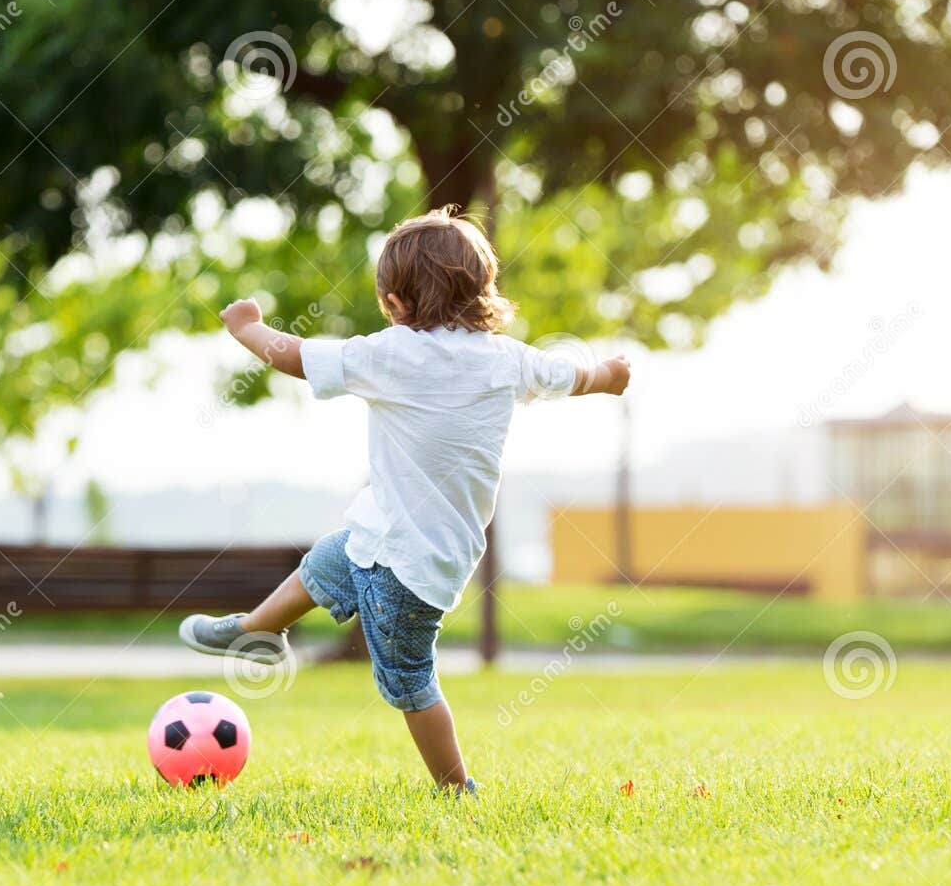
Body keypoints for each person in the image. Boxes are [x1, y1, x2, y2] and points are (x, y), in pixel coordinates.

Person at [179, 206, 631, 790]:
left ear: (396, 304)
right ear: (481, 291)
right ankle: (257, 633)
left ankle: (454, 785)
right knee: (325, 561)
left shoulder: (390, 353)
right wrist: (608, 376)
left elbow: (294, 355)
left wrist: (246, 328)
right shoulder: (507, 359)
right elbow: (567, 374)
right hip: (398, 543)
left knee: (410, 681)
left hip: (409, 568)